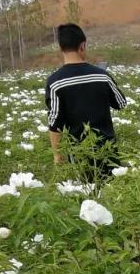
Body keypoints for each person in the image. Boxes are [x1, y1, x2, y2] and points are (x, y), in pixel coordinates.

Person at [45, 23, 127, 180]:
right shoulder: (102, 75)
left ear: (61, 48)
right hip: (108, 151)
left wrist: (58, 157)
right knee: (112, 195)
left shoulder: (55, 82)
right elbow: (120, 103)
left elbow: (54, 124)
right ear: (82, 45)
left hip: (79, 156)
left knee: (87, 199)